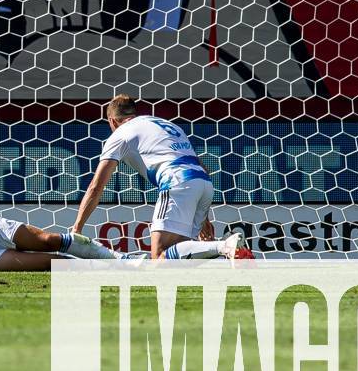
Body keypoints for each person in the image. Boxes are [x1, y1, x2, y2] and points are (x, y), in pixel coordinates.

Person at [72, 94, 253, 260]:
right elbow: (201, 167)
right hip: (203, 184)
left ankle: (224, 246)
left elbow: (96, 187)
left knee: (159, 256)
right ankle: (225, 249)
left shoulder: (121, 132)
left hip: (176, 183)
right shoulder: (165, 124)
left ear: (112, 121)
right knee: (177, 256)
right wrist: (204, 216)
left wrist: (77, 229)